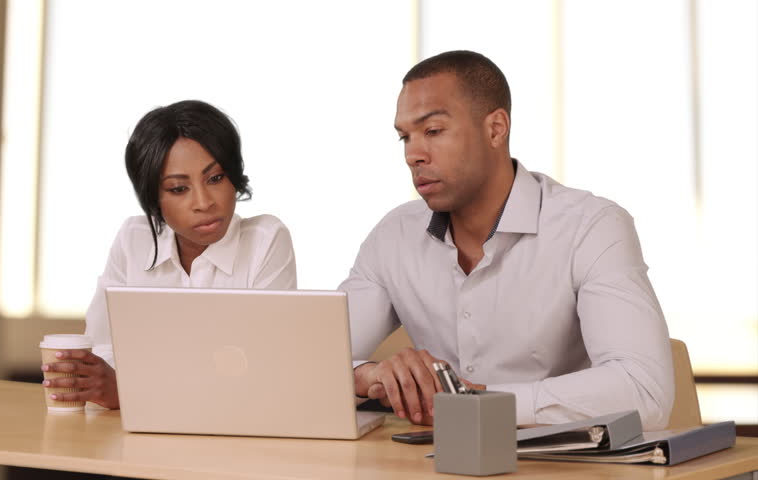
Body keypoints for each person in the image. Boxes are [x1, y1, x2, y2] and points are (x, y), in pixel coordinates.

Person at [343, 51, 673, 430]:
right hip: (431, 457)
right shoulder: (394, 236)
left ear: (496, 129)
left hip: (560, 457)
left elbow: (644, 390)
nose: (412, 155)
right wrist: (367, 377)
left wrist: (481, 401)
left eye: (433, 131)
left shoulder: (591, 226)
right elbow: (307, 361)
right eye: (405, 137)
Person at [41, 100, 297, 409]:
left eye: (216, 178)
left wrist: (130, 392)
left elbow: (262, 371)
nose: (204, 202)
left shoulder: (265, 240)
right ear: (153, 199)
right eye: (178, 188)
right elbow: (104, 349)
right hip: (133, 430)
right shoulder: (133, 240)